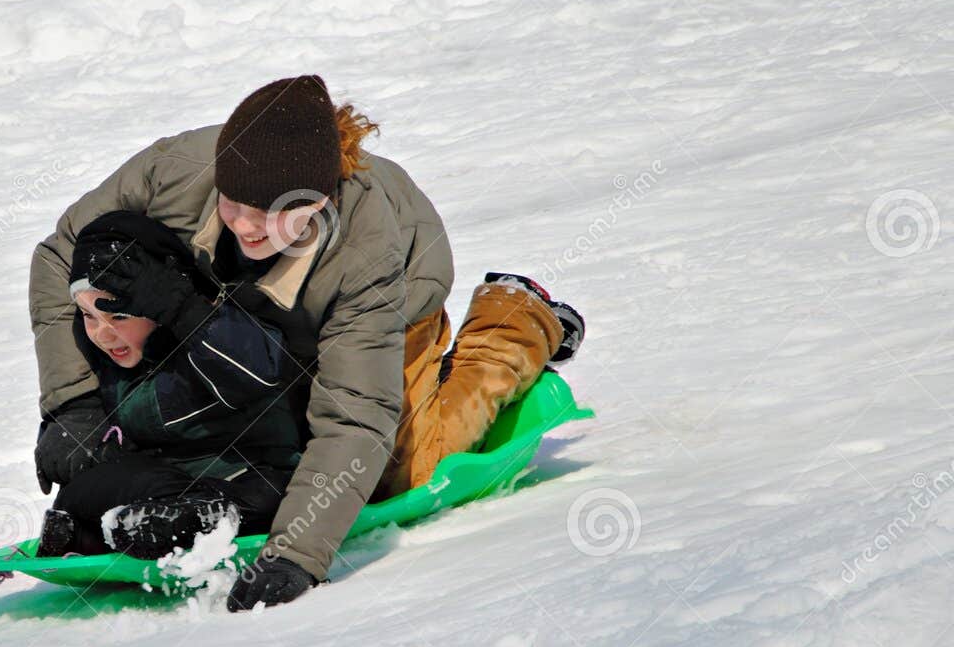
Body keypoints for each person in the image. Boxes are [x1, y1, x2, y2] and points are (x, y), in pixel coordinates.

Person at [30, 74, 583, 612]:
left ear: (316, 203)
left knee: (390, 471)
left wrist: (297, 553)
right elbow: (61, 255)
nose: (247, 227)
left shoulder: (368, 257)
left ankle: (514, 319)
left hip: (391, 302)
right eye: (234, 204)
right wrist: (72, 405)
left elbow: (357, 415)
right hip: (238, 300)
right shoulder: (174, 170)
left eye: (274, 212)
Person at [34, 210, 300, 561]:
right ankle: (100, 529)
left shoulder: (216, 330)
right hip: (174, 480)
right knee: (80, 492)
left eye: (118, 316)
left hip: (254, 475)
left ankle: (196, 520)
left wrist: (184, 311)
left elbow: (258, 370)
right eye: (88, 316)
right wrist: (73, 430)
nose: (102, 332)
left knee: (267, 495)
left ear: (157, 303)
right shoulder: (117, 355)